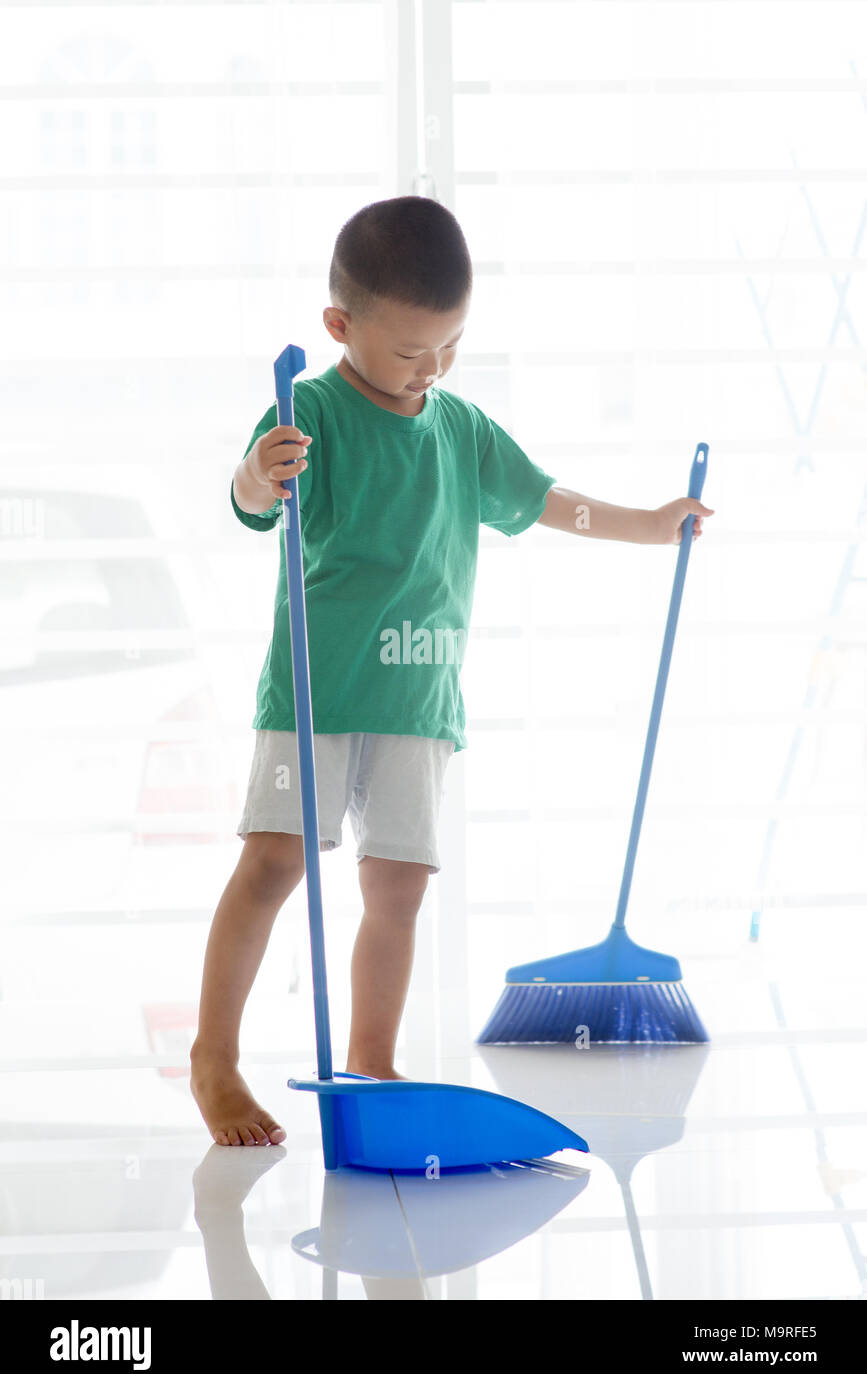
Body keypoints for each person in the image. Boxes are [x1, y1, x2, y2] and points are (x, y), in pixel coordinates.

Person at [190, 195, 714, 1146]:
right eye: (407, 352)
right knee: (273, 865)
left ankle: (373, 1060)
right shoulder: (309, 410)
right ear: (340, 327)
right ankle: (213, 1061)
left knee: (398, 889)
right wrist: (261, 474)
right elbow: (251, 501)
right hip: (317, 693)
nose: (428, 370)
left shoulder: (462, 430)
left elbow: (543, 499)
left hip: (420, 700)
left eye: (449, 347)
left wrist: (646, 523)